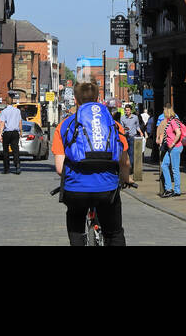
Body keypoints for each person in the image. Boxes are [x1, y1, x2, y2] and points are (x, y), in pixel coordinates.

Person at [54, 80, 129, 246]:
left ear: (75, 100)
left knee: (76, 227)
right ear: (98, 99)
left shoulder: (64, 126)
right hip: (107, 189)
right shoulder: (113, 125)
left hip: (76, 190)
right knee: (114, 232)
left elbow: (60, 169)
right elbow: (124, 162)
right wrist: (126, 179)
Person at [158, 106, 186, 198]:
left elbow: (178, 133)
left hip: (175, 148)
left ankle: (177, 190)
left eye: (164, 111)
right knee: (164, 165)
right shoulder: (169, 121)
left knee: (175, 169)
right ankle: (169, 189)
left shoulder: (173, 121)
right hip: (171, 148)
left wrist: (173, 143)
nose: (163, 113)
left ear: (167, 112)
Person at [119, 104, 143, 184]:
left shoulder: (135, 117)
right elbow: (121, 128)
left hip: (132, 137)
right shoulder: (122, 118)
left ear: (131, 110)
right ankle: (127, 169)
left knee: (132, 153)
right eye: (126, 110)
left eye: (128, 110)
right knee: (125, 153)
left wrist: (140, 132)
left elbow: (137, 126)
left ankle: (131, 168)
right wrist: (124, 130)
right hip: (125, 137)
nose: (127, 111)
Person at [0, 100, 23, 174]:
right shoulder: (17, 111)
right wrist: (21, 131)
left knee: (5, 151)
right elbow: (20, 121)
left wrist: (0, 134)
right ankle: (17, 165)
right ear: (12, 102)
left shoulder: (4, 111)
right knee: (15, 150)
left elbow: (2, 123)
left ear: (6, 103)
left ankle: (6, 168)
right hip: (15, 132)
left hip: (7, 132)